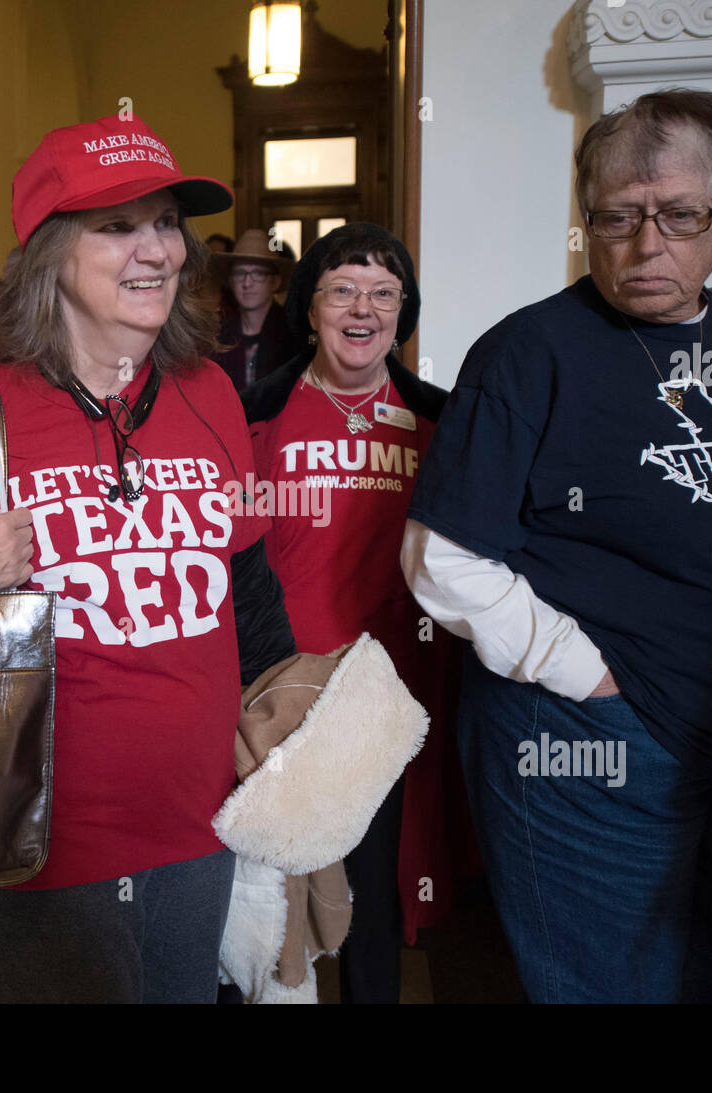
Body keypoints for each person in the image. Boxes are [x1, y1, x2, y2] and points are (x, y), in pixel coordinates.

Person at [0, 114, 297, 1004]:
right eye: (117, 226)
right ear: (49, 254)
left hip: (205, 828)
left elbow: (248, 587)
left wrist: (286, 741)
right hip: (40, 843)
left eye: (164, 223)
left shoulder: (211, 395)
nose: (154, 248)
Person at [402, 88, 712, 1003]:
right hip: (599, 741)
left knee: (704, 973)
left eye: (679, 215)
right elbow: (441, 560)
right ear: (585, 214)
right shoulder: (528, 354)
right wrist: (590, 680)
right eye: (616, 218)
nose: (646, 247)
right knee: (614, 988)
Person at [242, 222, 462, 1003]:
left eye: (383, 292)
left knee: (370, 905)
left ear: (403, 314)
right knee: (267, 910)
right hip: (277, 693)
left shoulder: (445, 421)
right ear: (309, 308)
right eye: (341, 288)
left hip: (388, 702)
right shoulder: (251, 415)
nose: (361, 307)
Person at [214, 229, 300, 390]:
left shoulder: (294, 336)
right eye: (240, 273)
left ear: (274, 282)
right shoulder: (216, 336)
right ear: (231, 281)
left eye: (258, 273)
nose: (247, 283)